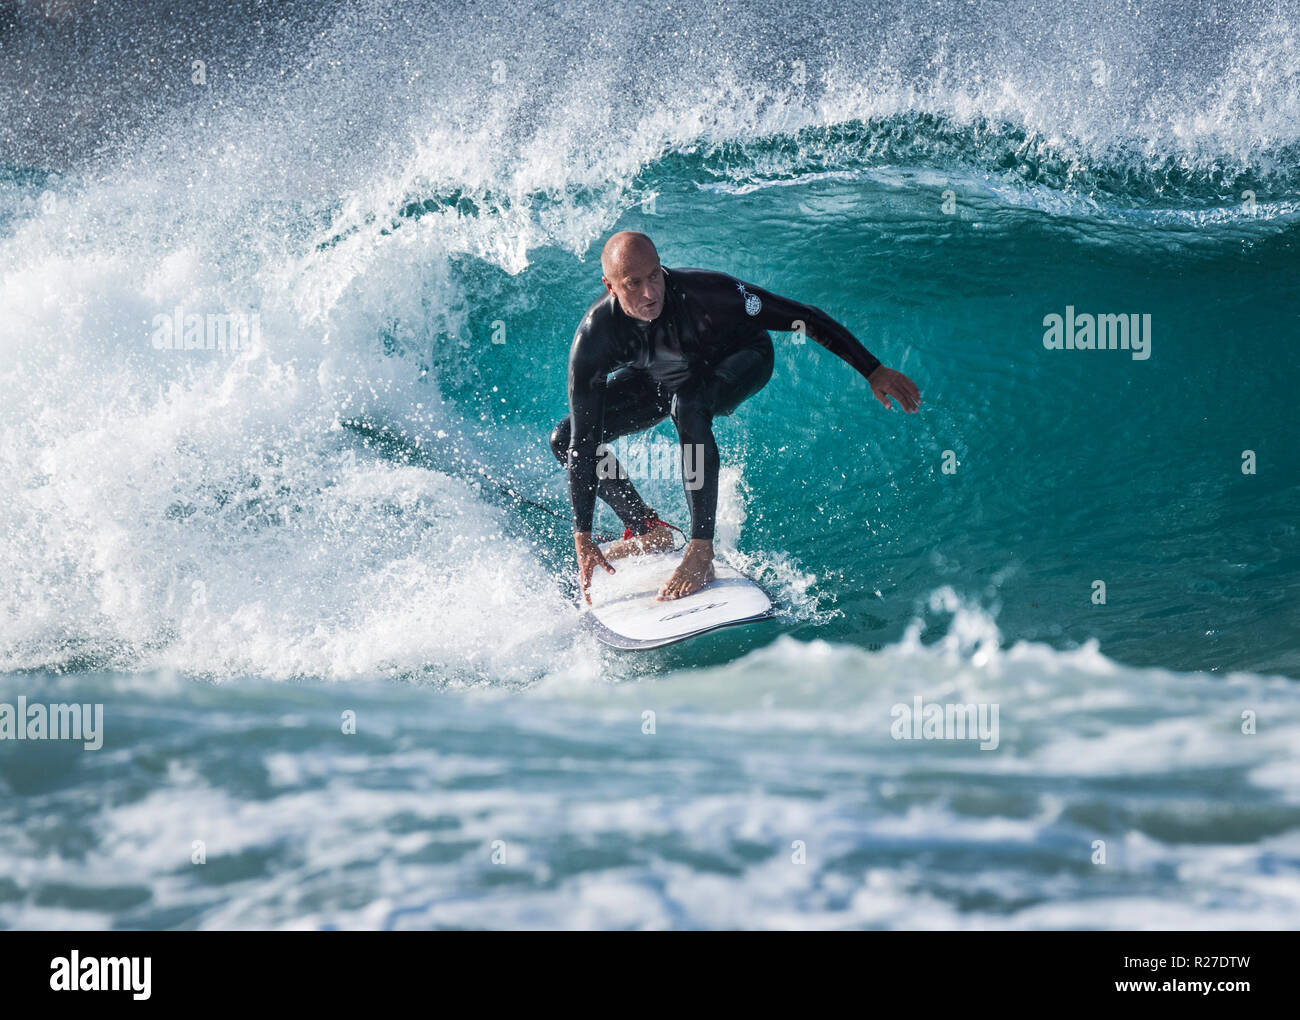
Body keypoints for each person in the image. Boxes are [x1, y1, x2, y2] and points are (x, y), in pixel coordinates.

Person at [550, 231, 921, 605]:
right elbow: (584, 442)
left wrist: (872, 370)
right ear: (610, 286)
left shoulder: (708, 295)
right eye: (634, 284)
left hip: (742, 357)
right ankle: (648, 529)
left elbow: (803, 316)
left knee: (689, 405)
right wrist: (582, 534)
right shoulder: (595, 338)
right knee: (565, 438)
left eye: (655, 276)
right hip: (664, 375)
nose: (650, 293)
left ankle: (700, 549)